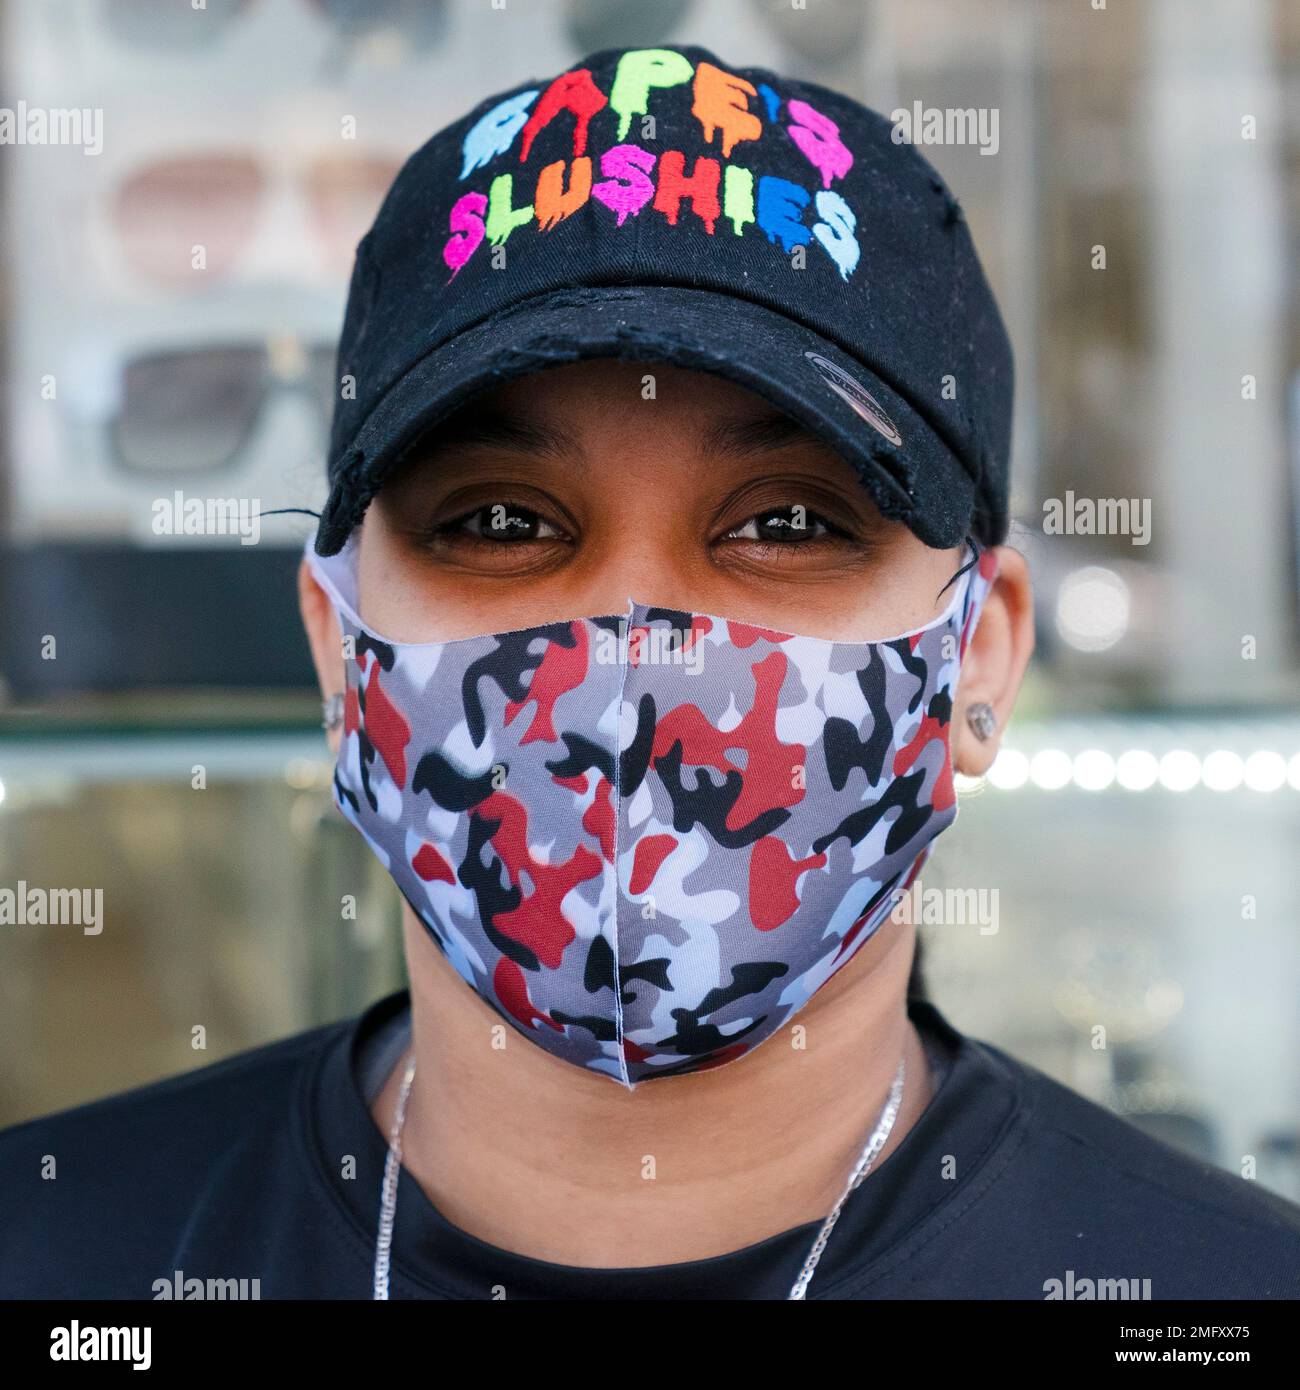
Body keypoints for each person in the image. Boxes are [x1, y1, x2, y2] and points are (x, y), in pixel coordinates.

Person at [2, 44, 1297, 1302]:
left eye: (786, 522)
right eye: (502, 520)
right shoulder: (53, 1254)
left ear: (984, 653)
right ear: (341, 649)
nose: (636, 637)